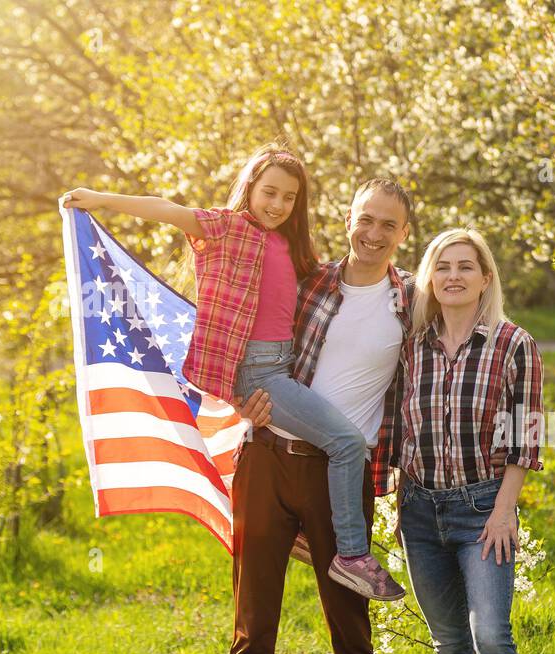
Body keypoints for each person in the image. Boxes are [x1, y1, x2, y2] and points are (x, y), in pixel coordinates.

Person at [61, 144, 405, 602]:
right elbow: (167, 210)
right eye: (269, 192)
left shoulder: (291, 247)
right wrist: (101, 198)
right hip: (260, 373)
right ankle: (352, 555)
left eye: (288, 198)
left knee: (332, 442)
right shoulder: (227, 227)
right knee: (345, 443)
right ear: (250, 189)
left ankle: (307, 534)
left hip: (283, 367)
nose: (277, 205)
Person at [213, 179, 420, 654]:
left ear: (403, 234)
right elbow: (247, 347)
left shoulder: (411, 302)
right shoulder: (307, 282)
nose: (374, 233)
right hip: (268, 464)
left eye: (388, 224)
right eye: (365, 220)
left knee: (351, 628)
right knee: (253, 632)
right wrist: (242, 401)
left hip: (343, 477)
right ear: (348, 221)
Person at [396, 227, 551, 654]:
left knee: (492, 635)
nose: (454, 276)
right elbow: (397, 424)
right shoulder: (413, 346)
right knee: (449, 643)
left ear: (486, 277)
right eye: (443, 267)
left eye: (466, 266)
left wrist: (504, 510)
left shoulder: (514, 344)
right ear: (430, 280)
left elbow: (527, 435)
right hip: (419, 511)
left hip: (483, 509)